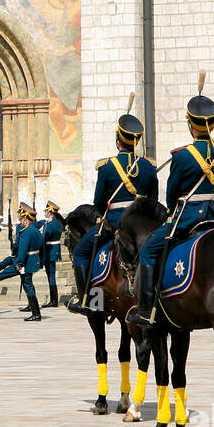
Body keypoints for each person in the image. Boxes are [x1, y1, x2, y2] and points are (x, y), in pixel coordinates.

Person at [129, 91, 214, 326]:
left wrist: (171, 209)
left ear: (191, 125)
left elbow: (173, 193)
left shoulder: (183, 156)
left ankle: (146, 310)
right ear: (213, 123)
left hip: (188, 216)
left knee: (148, 252)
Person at [69, 113, 158, 315]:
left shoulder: (107, 167)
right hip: (142, 223)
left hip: (116, 223)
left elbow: (99, 201)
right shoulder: (148, 166)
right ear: (135, 142)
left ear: (118, 141)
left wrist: (105, 214)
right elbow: (153, 200)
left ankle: (89, 302)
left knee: (82, 252)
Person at [0, 202, 45, 321]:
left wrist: (20, 264)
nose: (21, 221)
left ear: (27, 220)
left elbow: (23, 251)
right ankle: (35, 313)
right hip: (33, 261)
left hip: (25, 262)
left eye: (23, 219)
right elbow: (42, 248)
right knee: (26, 284)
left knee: (8, 275)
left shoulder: (26, 232)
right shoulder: (36, 231)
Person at [36, 202, 65, 307]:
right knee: (51, 274)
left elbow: (44, 240)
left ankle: (53, 300)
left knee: (51, 275)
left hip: (49, 251)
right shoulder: (58, 223)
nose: (45, 213)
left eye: (46, 211)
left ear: (49, 213)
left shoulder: (49, 225)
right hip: (55, 251)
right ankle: (54, 300)